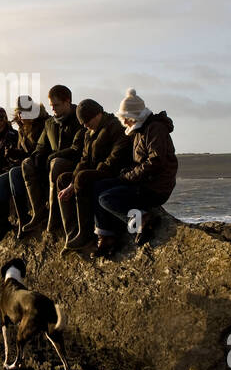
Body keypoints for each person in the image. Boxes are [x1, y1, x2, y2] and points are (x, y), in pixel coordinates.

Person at [92, 89, 178, 255]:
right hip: (142, 181)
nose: (123, 121)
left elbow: (155, 162)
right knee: (98, 187)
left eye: (126, 117)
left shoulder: (155, 129)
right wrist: (127, 174)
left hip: (155, 187)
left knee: (106, 198)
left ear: (134, 116)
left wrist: (128, 177)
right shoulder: (139, 131)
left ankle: (142, 219)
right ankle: (106, 235)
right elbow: (140, 162)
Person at [56, 98, 131, 251]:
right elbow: (84, 160)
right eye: (82, 122)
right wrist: (71, 184)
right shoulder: (89, 133)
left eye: (87, 120)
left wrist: (87, 174)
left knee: (82, 178)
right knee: (63, 179)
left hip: (114, 172)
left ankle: (85, 233)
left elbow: (116, 157)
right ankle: (72, 232)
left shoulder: (115, 126)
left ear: (98, 114)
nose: (85, 125)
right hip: (96, 171)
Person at [19, 85, 84, 238]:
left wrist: (52, 157)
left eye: (56, 105)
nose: (53, 109)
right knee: (27, 163)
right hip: (53, 162)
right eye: (51, 106)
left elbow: (77, 148)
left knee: (56, 163)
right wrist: (36, 157)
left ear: (67, 101)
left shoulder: (79, 118)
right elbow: (41, 145)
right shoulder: (50, 123)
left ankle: (54, 218)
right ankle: (38, 212)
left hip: (74, 163)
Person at [0, 95, 49, 244]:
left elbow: (41, 151)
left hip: (40, 166)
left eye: (24, 113)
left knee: (14, 173)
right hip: (27, 165)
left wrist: (22, 155)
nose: (21, 116)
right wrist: (13, 155)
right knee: (1, 179)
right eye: (19, 113)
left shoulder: (43, 124)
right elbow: (22, 153)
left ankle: (25, 218)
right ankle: (3, 223)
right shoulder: (22, 128)